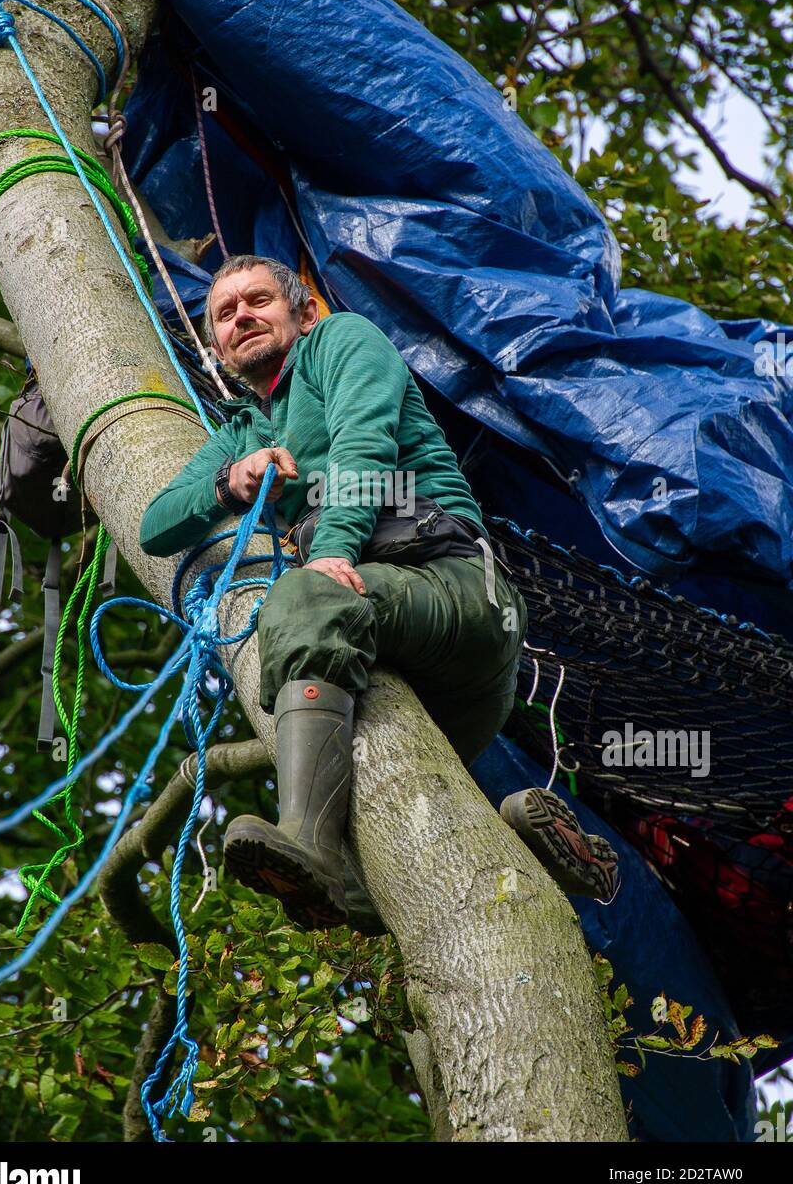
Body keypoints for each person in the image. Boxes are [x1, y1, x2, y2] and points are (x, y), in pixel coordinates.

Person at [140, 255, 618, 929]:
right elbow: (156, 525)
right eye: (225, 312)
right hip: (392, 658)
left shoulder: (341, 341)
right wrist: (230, 482)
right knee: (375, 871)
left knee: (302, 601)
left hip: (453, 587)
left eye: (258, 301)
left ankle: (306, 838)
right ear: (215, 344)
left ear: (301, 312)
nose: (242, 315)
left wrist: (330, 549)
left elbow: (365, 441)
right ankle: (526, 845)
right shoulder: (240, 431)